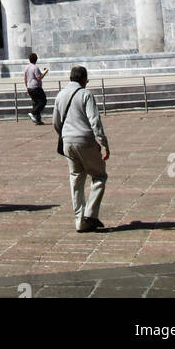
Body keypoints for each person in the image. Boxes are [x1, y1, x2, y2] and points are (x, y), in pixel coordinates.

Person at [52, 65, 110, 233]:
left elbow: (56, 122)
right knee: (99, 176)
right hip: (85, 141)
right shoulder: (86, 94)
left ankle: (79, 221)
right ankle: (90, 215)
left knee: (76, 179)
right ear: (84, 79)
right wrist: (104, 144)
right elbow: (95, 122)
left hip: (67, 142)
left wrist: (65, 136)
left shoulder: (60, 95)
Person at [25, 51, 49, 125]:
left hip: (30, 87)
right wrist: (46, 71)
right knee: (43, 101)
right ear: (36, 59)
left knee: (36, 103)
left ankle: (38, 120)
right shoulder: (35, 67)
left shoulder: (27, 67)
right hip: (36, 87)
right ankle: (33, 113)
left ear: (29, 59)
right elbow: (39, 78)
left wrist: (27, 86)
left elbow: (25, 78)